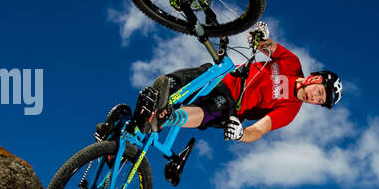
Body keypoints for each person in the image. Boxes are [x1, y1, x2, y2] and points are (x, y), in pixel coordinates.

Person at [139, 22, 341, 143]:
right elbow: (259, 43)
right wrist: (259, 36)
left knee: (214, 109)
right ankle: (159, 93)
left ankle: (166, 118)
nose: (315, 98)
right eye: (319, 92)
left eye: (319, 101)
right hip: (226, 77)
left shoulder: (289, 111)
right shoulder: (291, 63)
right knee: (203, 73)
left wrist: (240, 134)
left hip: (232, 104)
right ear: (315, 79)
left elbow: (258, 130)